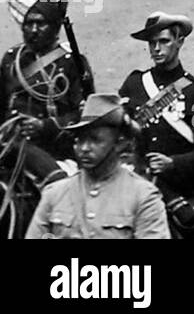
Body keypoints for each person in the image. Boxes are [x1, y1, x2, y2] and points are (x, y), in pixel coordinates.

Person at [118, 12, 194, 239]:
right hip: (141, 187)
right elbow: (119, 134)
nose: (156, 49)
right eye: (152, 43)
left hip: (188, 193)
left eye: (164, 41)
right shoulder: (135, 84)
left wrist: (173, 163)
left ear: (179, 42)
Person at [26, 93, 170, 239]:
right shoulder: (55, 193)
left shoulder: (143, 196)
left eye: (95, 140)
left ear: (119, 143)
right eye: (79, 140)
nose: (84, 148)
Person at [1, 0, 94, 182]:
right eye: (28, 23)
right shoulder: (11, 59)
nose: (33, 30)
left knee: (59, 184)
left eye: (40, 23)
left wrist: (44, 126)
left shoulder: (72, 61)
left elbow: (86, 114)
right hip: (9, 144)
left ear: (55, 26)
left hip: (54, 150)